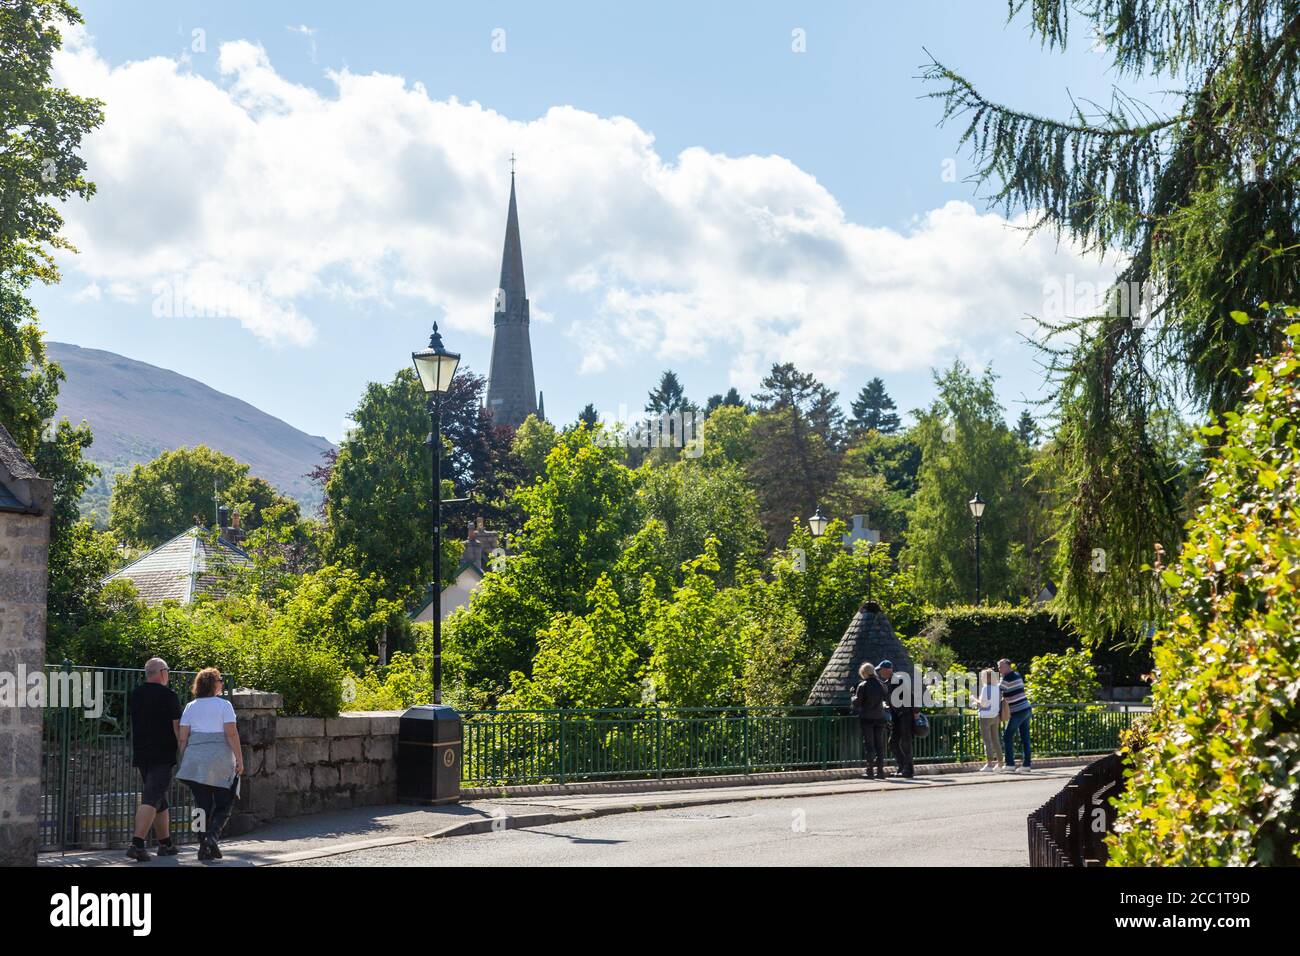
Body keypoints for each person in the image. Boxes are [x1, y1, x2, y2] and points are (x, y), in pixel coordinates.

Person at [176, 668, 243, 860]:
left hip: (195, 759)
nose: (222, 683)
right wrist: (239, 759)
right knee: (225, 802)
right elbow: (231, 733)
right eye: (220, 680)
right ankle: (212, 837)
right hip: (220, 759)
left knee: (200, 806)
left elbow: (183, 738)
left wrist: (185, 758)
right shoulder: (224, 706)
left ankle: (203, 844)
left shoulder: (190, 706)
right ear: (214, 684)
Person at [126, 657, 182, 862]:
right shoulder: (169, 695)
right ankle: (137, 843)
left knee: (159, 798)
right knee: (151, 796)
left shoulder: (137, 694)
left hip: (142, 753)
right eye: (167, 671)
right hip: (162, 753)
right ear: (162, 672)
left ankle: (165, 843)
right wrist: (183, 750)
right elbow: (177, 727)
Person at [878, 659, 917, 778]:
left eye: (881, 670)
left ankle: (908, 769)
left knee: (906, 743)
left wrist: (916, 712)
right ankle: (901, 766)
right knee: (892, 743)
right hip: (896, 717)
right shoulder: (887, 682)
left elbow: (910, 696)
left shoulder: (899, 680)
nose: (880, 673)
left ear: (888, 670)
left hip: (905, 715)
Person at [851, 662, 887, 779]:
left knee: (869, 745)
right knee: (879, 745)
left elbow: (857, 703)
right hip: (880, 717)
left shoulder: (863, 685)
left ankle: (870, 771)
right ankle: (880, 771)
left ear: (864, 673)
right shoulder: (881, 685)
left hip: (867, 718)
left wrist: (852, 694)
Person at [998, 657, 1032, 772]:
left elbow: (998, 691)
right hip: (1026, 709)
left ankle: (1010, 764)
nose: (999, 669)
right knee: (1025, 738)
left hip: (1018, 711)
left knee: (1007, 736)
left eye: (1001, 666)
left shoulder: (1007, 678)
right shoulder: (1017, 675)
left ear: (1008, 666)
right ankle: (1026, 765)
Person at [974, 667, 1004, 771]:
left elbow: (983, 703)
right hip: (995, 716)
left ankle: (990, 764)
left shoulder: (986, 688)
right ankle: (1000, 763)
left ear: (986, 678)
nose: (982, 678)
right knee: (996, 739)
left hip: (985, 716)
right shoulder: (997, 688)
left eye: (982, 676)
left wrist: (974, 699)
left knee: (987, 740)